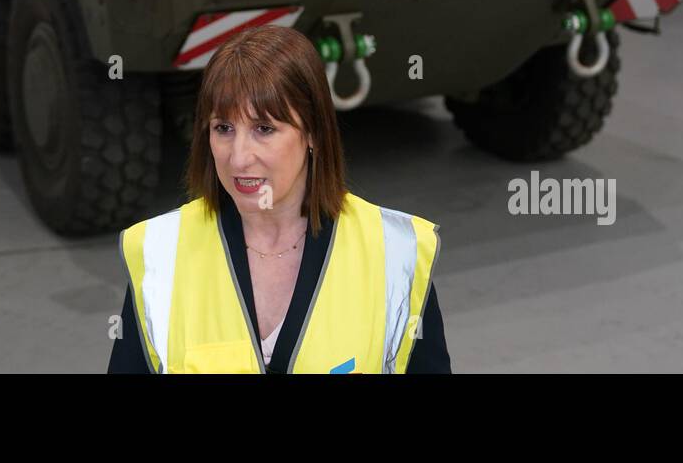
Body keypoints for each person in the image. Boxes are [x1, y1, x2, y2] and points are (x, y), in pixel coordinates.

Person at [108, 24, 450, 373]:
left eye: (264, 129)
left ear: (313, 132)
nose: (239, 157)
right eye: (223, 128)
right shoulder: (161, 253)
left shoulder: (395, 252)